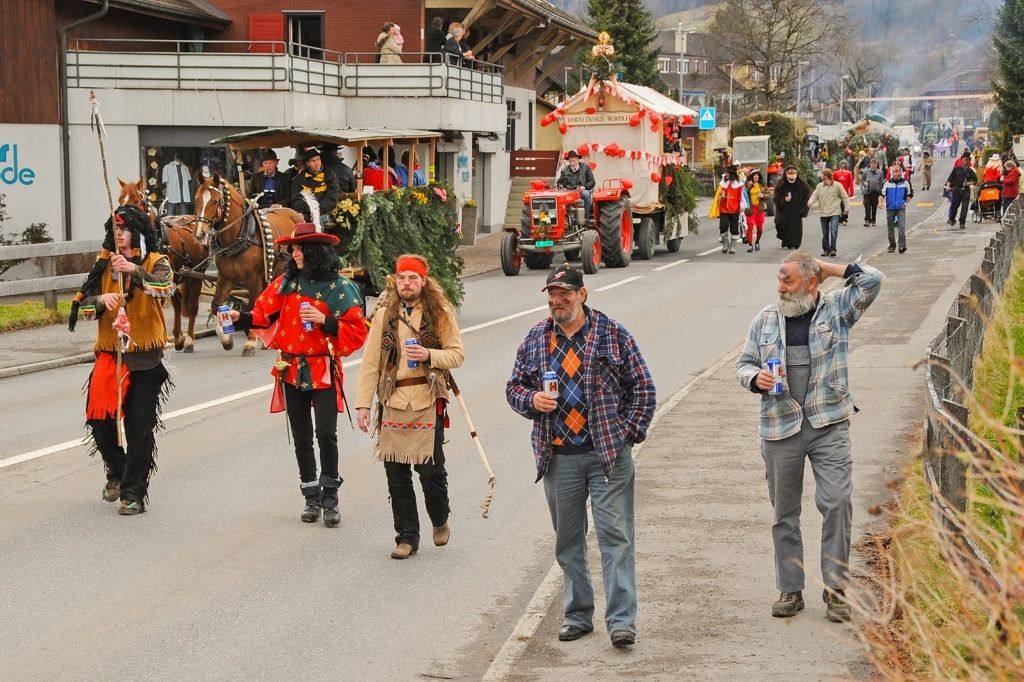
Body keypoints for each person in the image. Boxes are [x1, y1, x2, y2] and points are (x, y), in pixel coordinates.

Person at [505, 264, 656, 649]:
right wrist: (531, 400)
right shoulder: (536, 339)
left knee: (615, 539)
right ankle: (578, 615)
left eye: (565, 294)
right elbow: (514, 388)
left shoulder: (612, 334)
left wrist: (626, 436)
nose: (557, 301)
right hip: (558, 458)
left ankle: (621, 622)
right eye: (553, 295)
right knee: (568, 543)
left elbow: (643, 389)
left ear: (582, 295)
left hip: (607, 457)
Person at [736, 251, 884, 623]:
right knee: (784, 512)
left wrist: (828, 267)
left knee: (837, 502)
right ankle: (791, 588)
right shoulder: (765, 319)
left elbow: (873, 280)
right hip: (780, 426)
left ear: (812, 283)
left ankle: (836, 589)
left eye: (788, 280)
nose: (780, 287)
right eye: (779, 279)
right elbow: (744, 364)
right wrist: (754, 378)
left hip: (828, 424)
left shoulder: (838, 310)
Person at [229, 223, 368, 526]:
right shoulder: (286, 282)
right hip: (291, 368)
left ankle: (331, 498)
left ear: (315, 251)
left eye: (299, 248)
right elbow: (262, 315)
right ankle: (311, 497)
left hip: (322, 368)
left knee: (326, 434)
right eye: (292, 249)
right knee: (302, 436)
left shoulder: (341, 288)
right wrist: (240, 318)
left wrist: (324, 320)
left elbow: (358, 332)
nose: (294, 254)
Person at [355, 255, 465, 560]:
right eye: (402, 278)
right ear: (395, 281)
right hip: (392, 401)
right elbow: (370, 363)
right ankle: (406, 537)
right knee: (396, 474)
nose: (406, 283)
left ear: (423, 281)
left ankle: (439, 518)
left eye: (413, 278)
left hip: (427, 399)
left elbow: (457, 354)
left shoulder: (439, 313)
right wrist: (363, 405)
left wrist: (430, 355)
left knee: (431, 473)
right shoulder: (383, 315)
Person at [78, 205, 175, 515]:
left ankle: (133, 492)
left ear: (138, 232)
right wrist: (100, 301)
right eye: (115, 229)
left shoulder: (156, 261)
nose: (119, 234)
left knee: (139, 428)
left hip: (145, 358)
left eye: (124, 229)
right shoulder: (103, 264)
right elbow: (83, 308)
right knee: (99, 421)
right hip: (110, 355)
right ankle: (117, 472)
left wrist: (133, 270)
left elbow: (164, 288)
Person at [289, 146, 339, 228]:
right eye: (313, 161)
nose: (317, 163)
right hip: (306, 212)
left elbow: (331, 199)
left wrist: (316, 211)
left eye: (318, 159)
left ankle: (318, 236)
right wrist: (309, 210)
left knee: (319, 220)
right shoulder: (299, 179)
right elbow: (296, 200)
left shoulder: (330, 174)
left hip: (326, 212)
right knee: (296, 220)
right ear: (308, 163)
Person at [807, 168, 849, 258]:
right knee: (825, 232)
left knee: (834, 231)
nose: (820, 177)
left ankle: (833, 249)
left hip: (835, 212)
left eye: (822, 175)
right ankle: (826, 250)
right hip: (823, 212)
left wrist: (846, 208)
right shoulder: (819, 186)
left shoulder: (837, 185)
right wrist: (810, 202)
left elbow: (845, 197)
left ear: (826, 176)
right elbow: (814, 195)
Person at [773, 165, 811, 250]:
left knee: (795, 228)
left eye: (793, 172)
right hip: (784, 210)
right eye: (789, 173)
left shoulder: (802, 185)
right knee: (781, 225)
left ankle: (794, 244)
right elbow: (776, 197)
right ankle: (785, 240)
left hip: (796, 210)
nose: (791, 175)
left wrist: (803, 209)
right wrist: (784, 200)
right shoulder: (781, 185)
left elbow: (807, 198)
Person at [881, 163, 912, 253]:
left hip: (900, 208)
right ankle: (892, 245)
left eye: (897, 172)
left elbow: (910, 194)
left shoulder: (906, 183)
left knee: (901, 228)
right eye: (894, 172)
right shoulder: (887, 183)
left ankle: (902, 246)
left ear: (900, 173)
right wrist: (880, 202)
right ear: (892, 173)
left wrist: (905, 203)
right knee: (890, 228)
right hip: (890, 208)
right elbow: (881, 194)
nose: (895, 174)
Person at [556, 150, 596, 218]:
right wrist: (561, 186)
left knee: (585, 194)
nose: (571, 159)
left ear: (577, 159)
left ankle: (585, 216)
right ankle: (563, 217)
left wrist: (584, 187)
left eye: (573, 158)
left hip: (581, 190)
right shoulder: (564, 170)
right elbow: (560, 182)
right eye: (569, 158)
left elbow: (592, 181)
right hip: (568, 191)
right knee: (558, 196)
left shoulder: (585, 167)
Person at [716, 165, 747, 254]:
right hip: (724, 209)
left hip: (734, 209)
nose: (726, 174)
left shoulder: (739, 185)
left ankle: (732, 246)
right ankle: (725, 244)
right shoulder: (723, 184)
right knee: (723, 227)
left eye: (728, 172)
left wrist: (742, 205)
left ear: (732, 173)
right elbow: (718, 195)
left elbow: (741, 196)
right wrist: (720, 196)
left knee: (734, 228)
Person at [945, 152, 978, 229]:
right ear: (962, 160)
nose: (965, 162)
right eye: (964, 160)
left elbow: (975, 181)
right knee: (954, 206)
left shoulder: (970, 171)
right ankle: (952, 219)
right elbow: (949, 179)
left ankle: (962, 222)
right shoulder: (956, 169)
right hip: (956, 190)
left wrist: (969, 183)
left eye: (967, 160)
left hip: (966, 191)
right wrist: (948, 187)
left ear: (969, 161)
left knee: (965, 207)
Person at [745, 170, 766, 252]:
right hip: (751, 209)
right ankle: (750, 245)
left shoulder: (762, 185)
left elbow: (769, 194)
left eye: (757, 175)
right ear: (752, 177)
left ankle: (757, 242)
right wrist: (749, 186)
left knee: (760, 229)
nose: (756, 176)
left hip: (759, 209)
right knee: (750, 227)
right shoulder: (748, 185)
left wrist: (763, 195)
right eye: (754, 175)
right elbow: (744, 194)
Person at [860, 158, 884, 227]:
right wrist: (865, 183)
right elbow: (862, 180)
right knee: (867, 207)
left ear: (877, 165)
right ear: (870, 164)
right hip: (867, 192)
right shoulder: (866, 172)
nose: (873, 165)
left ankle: (873, 220)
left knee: (874, 207)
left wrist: (880, 191)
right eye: (872, 164)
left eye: (875, 164)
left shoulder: (880, 172)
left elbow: (881, 182)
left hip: (876, 192)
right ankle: (867, 220)